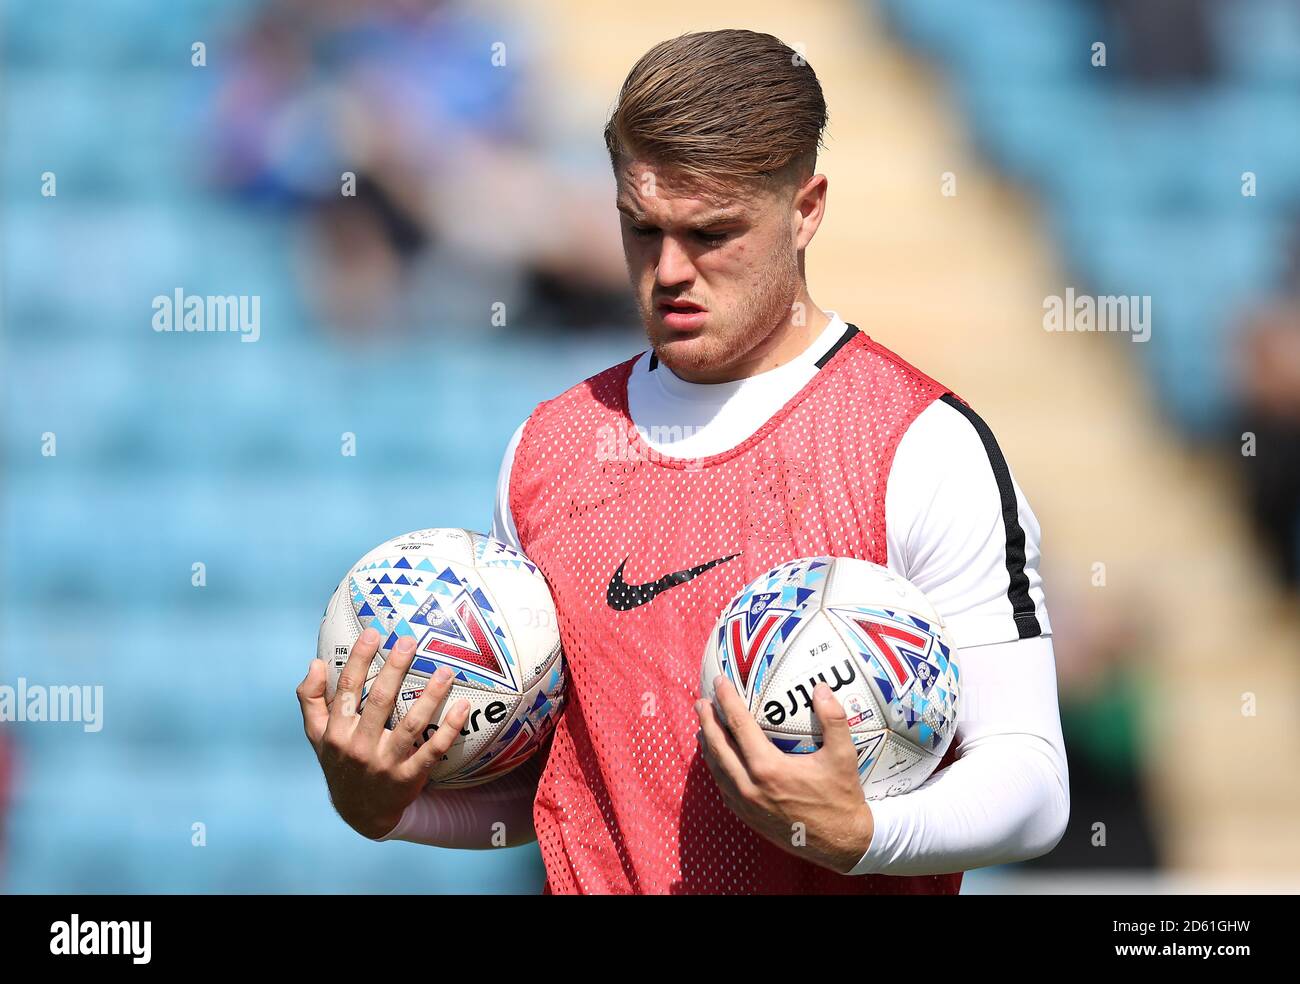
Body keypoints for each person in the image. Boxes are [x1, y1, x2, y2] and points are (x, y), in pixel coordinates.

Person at [296, 29, 1070, 894]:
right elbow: (560, 795)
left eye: (712, 233)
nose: (669, 271)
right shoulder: (549, 448)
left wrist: (863, 833)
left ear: (807, 208)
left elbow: (1032, 783)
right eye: (642, 229)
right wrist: (392, 808)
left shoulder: (920, 444)